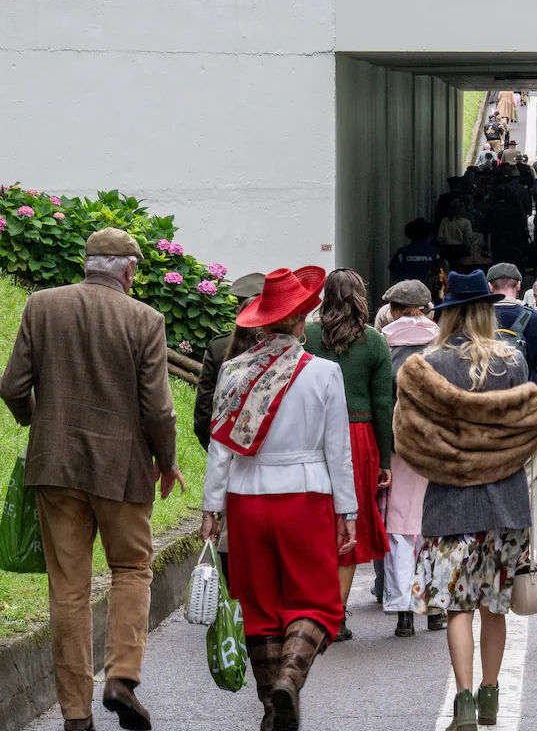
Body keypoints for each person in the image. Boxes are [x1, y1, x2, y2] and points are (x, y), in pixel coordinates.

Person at [0, 228, 183, 731]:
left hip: (54, 467)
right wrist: (167, 462)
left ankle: (76, 716)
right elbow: (159, 409)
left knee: (69, 589)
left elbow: (13, 384)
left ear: (88, 264)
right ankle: (122, 676)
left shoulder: (41, 305)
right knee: (131, 569)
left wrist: (38, 419)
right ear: (128, 271)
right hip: (121, 471)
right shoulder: (145, 318)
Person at [201, 267, 356, 731]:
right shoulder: (324, 373)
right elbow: (338, 449)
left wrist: (213, 509)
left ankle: (271, 706)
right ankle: (291, 677)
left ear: (263, 320)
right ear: (301, 318)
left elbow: (221, 447)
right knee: (317, 600)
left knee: (260, 603)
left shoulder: (232, 371)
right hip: (305, 497)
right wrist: (346, 510)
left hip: (247, 499)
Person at [394, 271, 537, 731]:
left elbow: (408, 438)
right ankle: (491, 695)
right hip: (505, 501)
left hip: (449, 502)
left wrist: (448, 461)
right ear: (485, 310)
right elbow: (531, 433)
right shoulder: (513, 362)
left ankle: (462, 700)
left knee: (457, 605)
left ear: (448, 312)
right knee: (494, 606)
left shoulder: (427, 363)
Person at [303, 268, 393, 642]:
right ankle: (335, 618)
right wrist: (385, 459)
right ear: (360, 297)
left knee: (313, 523)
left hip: (312, 434)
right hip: (358, 436)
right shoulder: (374, 342)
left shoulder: (306, 335)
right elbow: (383, 404)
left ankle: (311, 610)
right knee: (348, 524)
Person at [379, 280, 447, 637]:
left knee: (400, 528)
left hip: (398, 445)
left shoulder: (382, 339)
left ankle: (403, 610)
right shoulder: (442, 339)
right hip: (435, 445)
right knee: (433, 527)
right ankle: (435, 606)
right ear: (427, 307)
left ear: (394, 309)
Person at [193, 272, 266, 451]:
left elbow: (204, 408)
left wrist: (213, 447)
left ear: (238, 310)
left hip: (224, 446)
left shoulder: (219, 347)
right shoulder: (282, 347)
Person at [488, 262, 537, 390]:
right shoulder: (535, 317)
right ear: (519, 285)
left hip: (489, 394)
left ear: (490, 286)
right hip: (527, 394)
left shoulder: (477, 318)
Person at [388, 218, 441, 285]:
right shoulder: (435, 253)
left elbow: (394, 276)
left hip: (407, 290)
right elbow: (440, 275)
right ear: (428, 234)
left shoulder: (402, 253)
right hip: (428, 291)